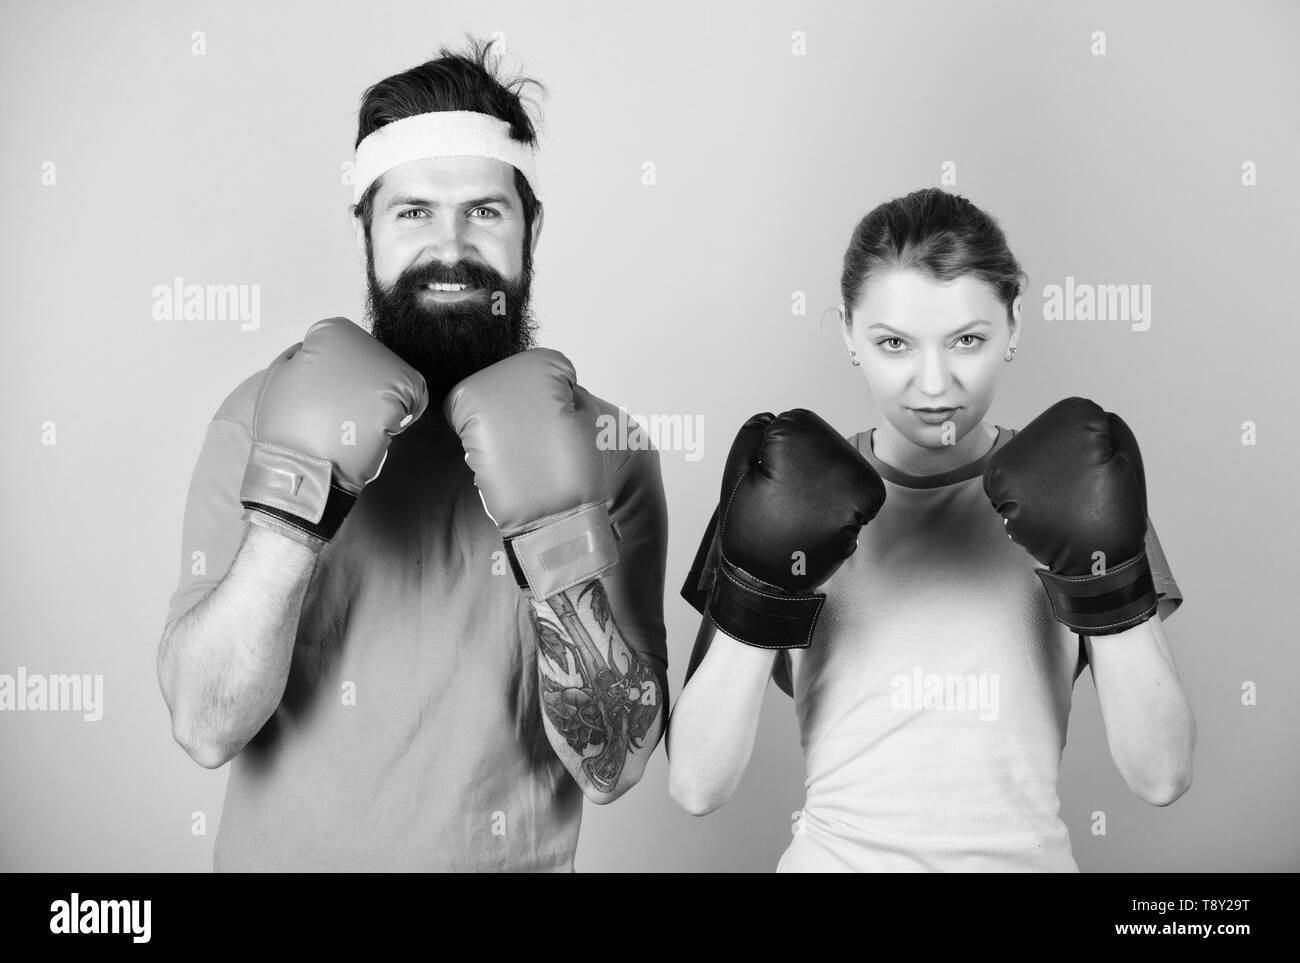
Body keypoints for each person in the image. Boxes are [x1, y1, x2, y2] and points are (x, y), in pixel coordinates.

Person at [156, 38, 668, 872]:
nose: (451, 245)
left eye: (485, 211)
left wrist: (556, 536)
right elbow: (205, 725)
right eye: (414, 211)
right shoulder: (259, 417)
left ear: (531, 225)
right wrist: (294, 509)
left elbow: (616, 765)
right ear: (367, 228)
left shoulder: (608, 449)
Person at [668, 188, 1194, 872]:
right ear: (848, 336)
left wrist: (1108, 579)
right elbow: (697, 785)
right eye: (894, 343)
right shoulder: (780, 482)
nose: (934, 382)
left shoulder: (1084, 480)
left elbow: (1162, 775)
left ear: (1015, 327)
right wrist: (761, 583)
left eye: (967, 339)